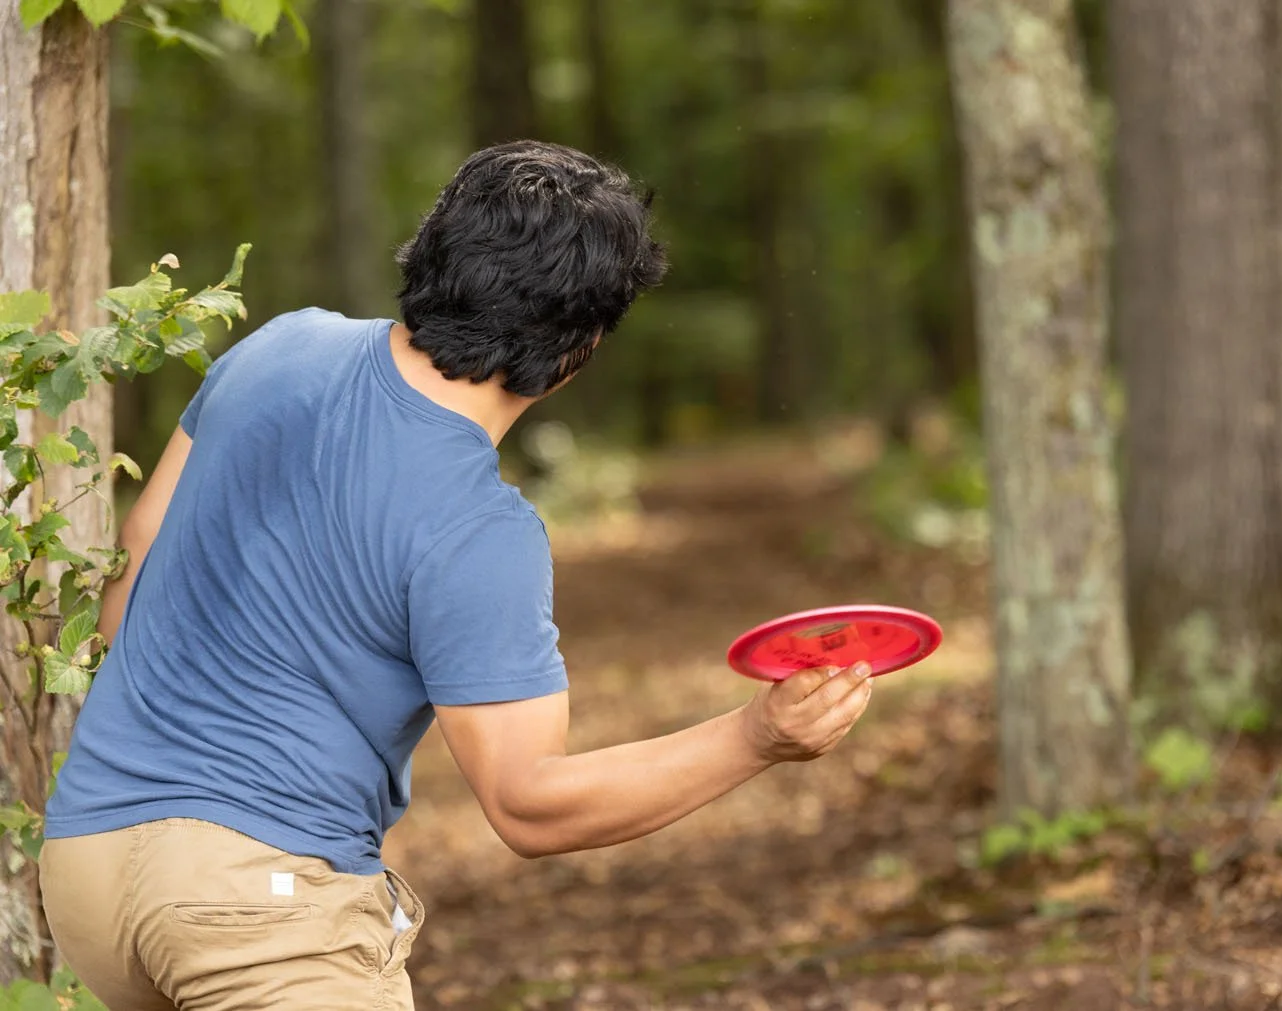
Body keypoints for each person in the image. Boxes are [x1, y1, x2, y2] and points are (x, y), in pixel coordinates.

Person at [39, 141, 874, 1011]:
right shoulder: (480, 530)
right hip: (260, 914)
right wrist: (755, 738)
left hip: (88, 868)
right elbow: (530, 805)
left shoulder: (275, 348)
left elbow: (131, 568)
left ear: (431, 251)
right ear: (577, 350)